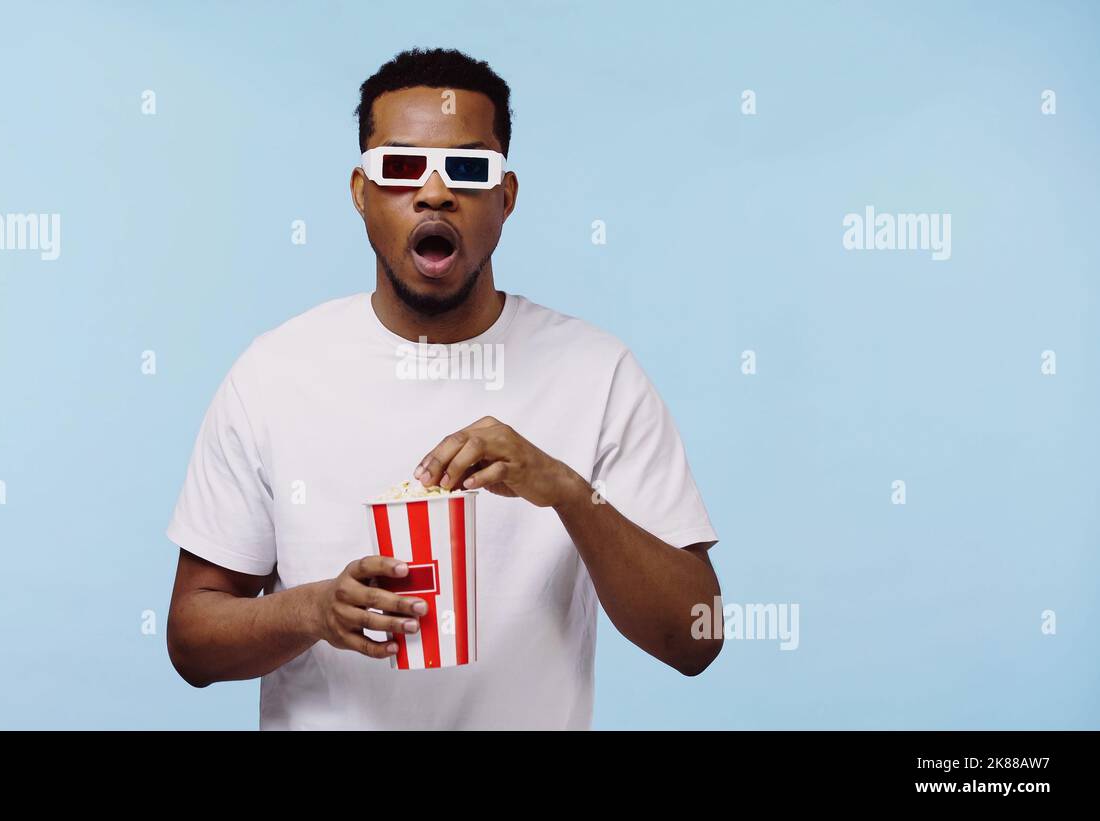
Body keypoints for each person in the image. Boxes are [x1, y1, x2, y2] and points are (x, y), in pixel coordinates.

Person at [164, 47, 723, 730]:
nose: (434, 192)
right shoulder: (273, 374)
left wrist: (568, 491)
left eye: (468, 168)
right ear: (360, 192)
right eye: (399, 168)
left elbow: (696, 637)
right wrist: (311, 610)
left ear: (507, 196)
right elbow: (191, 640)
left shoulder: (598, 373)